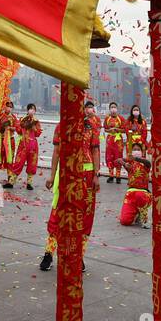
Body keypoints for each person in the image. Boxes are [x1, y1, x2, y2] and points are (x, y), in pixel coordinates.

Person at [39, 101, 101, 272]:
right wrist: (52, 176)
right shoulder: (61, 127)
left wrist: (96, 175)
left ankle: (79, 256)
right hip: (66, 174)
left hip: (87, 175)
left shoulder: (91, 128)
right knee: (58, 212)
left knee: (85, 215)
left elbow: (95, 151)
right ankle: (49, 253)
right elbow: (56, 152)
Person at [118, 140, 152, 227]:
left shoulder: (145, 164)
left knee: (139, 195)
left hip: (143, 193)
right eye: (134, 149)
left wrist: (136, 158)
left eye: (138, 149)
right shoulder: (130, 163)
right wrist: (125, 163)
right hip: (131, 193)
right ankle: (136, 213)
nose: (136, 151)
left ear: (142, 152)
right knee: (124, 221)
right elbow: (119, 159)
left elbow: (148, 163)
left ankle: (141, 213)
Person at [11, 103, 42, 191]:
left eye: (34, 109)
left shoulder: (36, 121)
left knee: (32, 164)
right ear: (27, 110)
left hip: (33, 145)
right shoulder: (22, 119)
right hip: (23, 144)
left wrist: (34, 128)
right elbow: (18, 130)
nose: (32, 110)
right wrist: (22, 126)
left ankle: (29, 183)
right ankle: (11, 182)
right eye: (31, 109)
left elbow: (38, 133)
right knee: (19, 162)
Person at [0, 98, 19, 184]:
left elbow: (17, 128)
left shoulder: (13, 117)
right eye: (8, 106)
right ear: (5, 107)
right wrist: (1, 128)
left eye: (11, 107)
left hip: (10, 141)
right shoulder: (0, 116)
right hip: (1, 140)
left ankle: (9, 175)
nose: (9, 108)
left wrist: (10, 128)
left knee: (9, 158)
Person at [102, 101, 127, 183]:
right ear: (109, 109)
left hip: (118, 140)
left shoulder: (121, 118)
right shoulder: (107, 118)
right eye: (112, 107)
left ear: (117, 109)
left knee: (118, 156)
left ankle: (118, 176)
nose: (113, 109)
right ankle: (111, 175)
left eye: (114, 107)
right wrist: (110, 130)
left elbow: (125, 130)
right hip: (110, 140)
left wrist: (117, 130)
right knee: (109, 157)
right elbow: (105, 129)